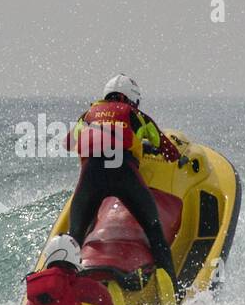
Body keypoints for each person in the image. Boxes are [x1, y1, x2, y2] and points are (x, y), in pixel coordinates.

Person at [65, 74, 181, 288]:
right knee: (155, 233)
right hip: (125, 178)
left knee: (74, 238)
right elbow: (170, 151)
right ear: (133, 99)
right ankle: (173, 293)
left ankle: (65, 286)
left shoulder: (87, 116)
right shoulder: (136, 115)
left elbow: (68, 143)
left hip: (91, 181)